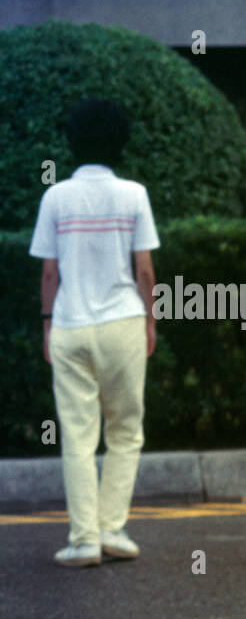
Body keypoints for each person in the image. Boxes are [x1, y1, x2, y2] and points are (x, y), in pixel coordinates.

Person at [29, 98, 159, 568]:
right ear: (120, 141)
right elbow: (144, 270)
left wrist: (47, 325)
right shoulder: (134, 195)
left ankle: (83, 539)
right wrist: (150, 319)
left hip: (69, 325)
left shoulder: (55, 196)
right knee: (126, 430)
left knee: (78, 436)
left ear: (73, 141)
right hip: (122, 322)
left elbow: (49, 274)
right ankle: (113, 530)